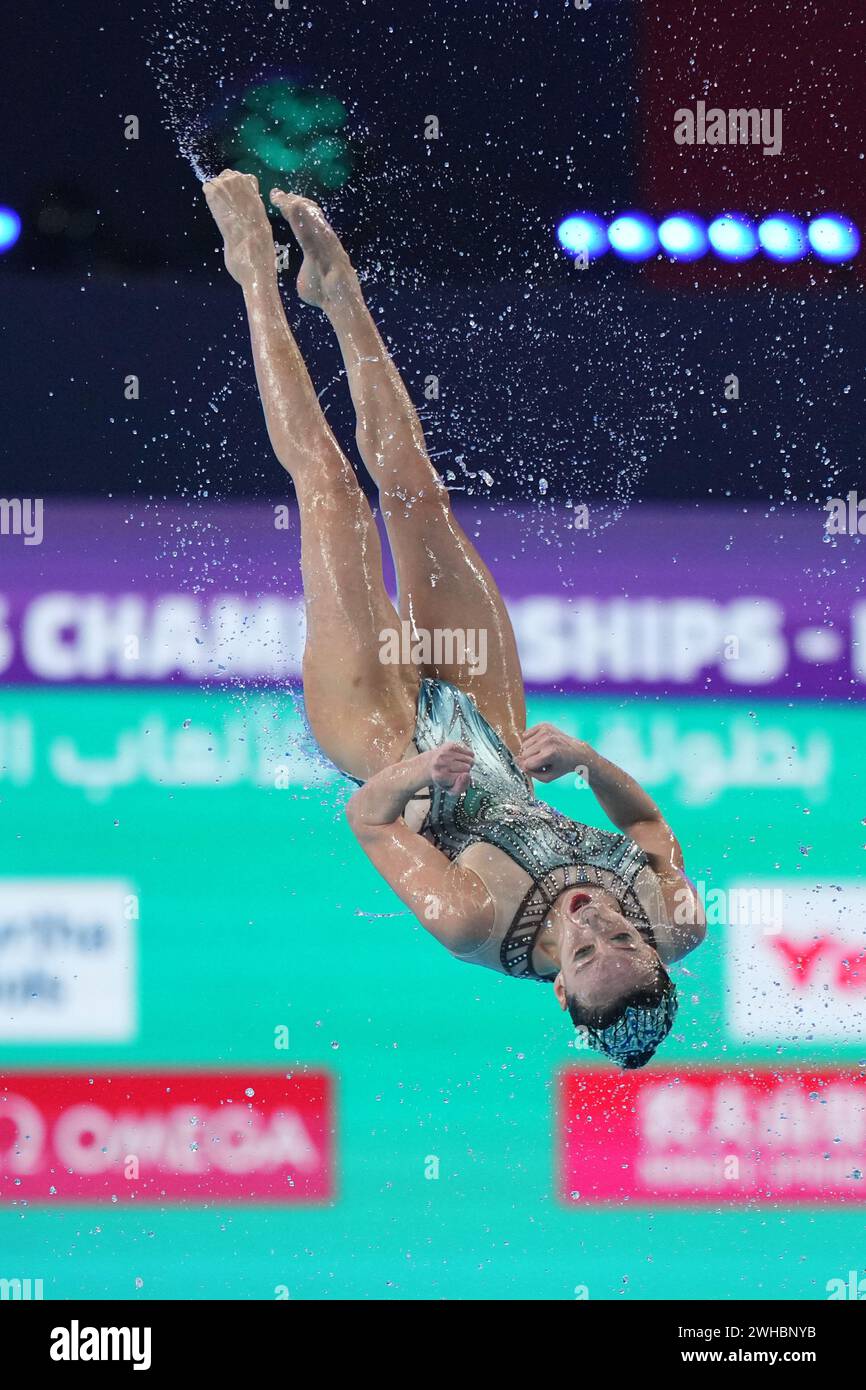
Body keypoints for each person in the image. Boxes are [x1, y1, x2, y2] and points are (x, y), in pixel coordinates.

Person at [203, 170, 706, 1068]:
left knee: (334, 501)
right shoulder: (677, 925)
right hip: (491, 726)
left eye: (584, 953)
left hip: (386, 738)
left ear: (559, 983)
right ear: (655, 954)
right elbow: (649, 835)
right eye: (622, 943)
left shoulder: (472, 923)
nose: (596, 928)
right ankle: (340, 296)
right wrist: (589, 763)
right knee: (419, 499)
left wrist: (413, 774)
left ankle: (250, 268)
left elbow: (367, 821)